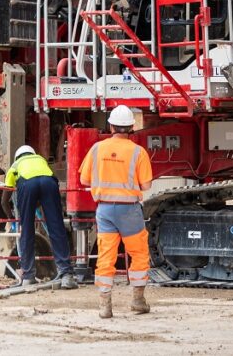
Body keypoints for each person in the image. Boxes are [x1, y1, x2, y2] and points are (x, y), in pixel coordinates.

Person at [79, 104, 154, 319]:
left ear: (111, 126)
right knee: (138, 254)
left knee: (106, 255)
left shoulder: (96, 149)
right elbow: (147, 185)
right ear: (131, 127)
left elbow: (84, 179)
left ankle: (105, 306)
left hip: (105, 210)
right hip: (129, 210)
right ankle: (138, 301)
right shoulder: (138, 152)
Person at [4, 145, 78, 289]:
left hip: (27, 184)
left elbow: (4, 200)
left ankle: (28, 277)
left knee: (27, 230)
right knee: (56, 227)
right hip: (49, 183)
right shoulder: (41, 160)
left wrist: (10, 217)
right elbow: (44, 182)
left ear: (17, 156)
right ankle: (66, 275)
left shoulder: (15, 166)